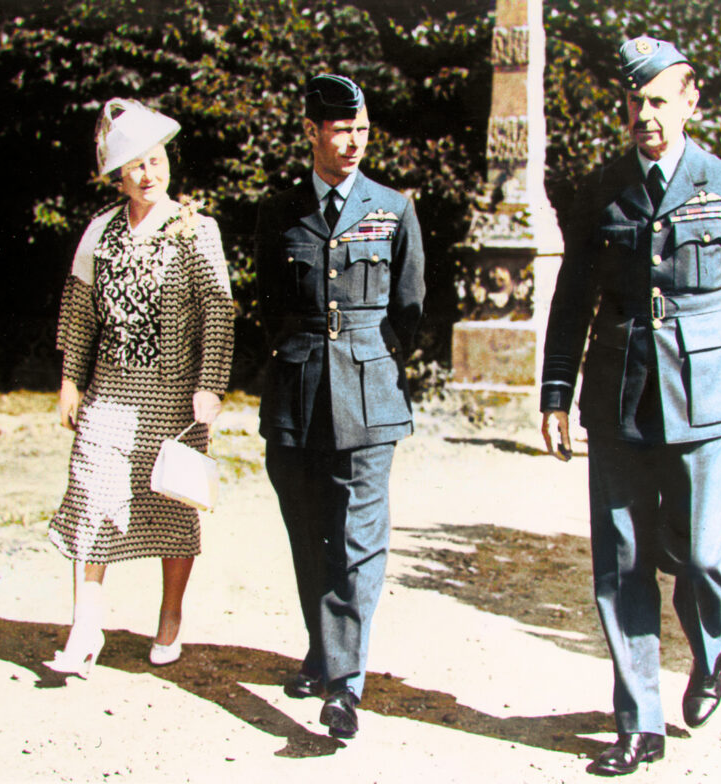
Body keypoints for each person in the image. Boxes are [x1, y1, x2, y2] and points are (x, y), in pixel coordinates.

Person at [539, 37, 721, 775]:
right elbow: (572, 298)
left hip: (705, 399)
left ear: (689, 101)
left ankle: (709, 657)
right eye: (633, 101)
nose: (644, 115)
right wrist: (557, 394)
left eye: (657, 100)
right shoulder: (601, 189)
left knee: (703, 557)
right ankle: (639, 723)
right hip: (619, 395)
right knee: (621, 562)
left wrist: (714, 343)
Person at [254, 74, 425, 739]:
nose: (353, 142)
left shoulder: (393, 209)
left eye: (362, 129)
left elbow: (409, 309)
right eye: (340, 129)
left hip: (370, 394)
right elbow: (270, 304)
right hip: (296, 393)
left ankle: (344, 686)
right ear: (311, 132)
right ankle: (325, 650)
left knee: (356, 538)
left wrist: (370, 364)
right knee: (308, 532)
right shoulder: (280, 211)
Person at [47, 98, 234, 676]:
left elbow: (217, 310)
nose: (148, 175)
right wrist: (70, 380)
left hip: (175, 396)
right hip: (110, 390)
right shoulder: (100, 231)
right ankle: (85, 629)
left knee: (172, 507)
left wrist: (210, 385)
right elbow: (81, 309)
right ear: (118, 176)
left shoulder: (197, 229)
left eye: (156, 162)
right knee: (90, 497)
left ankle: (170, 615)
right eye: (135, 167)